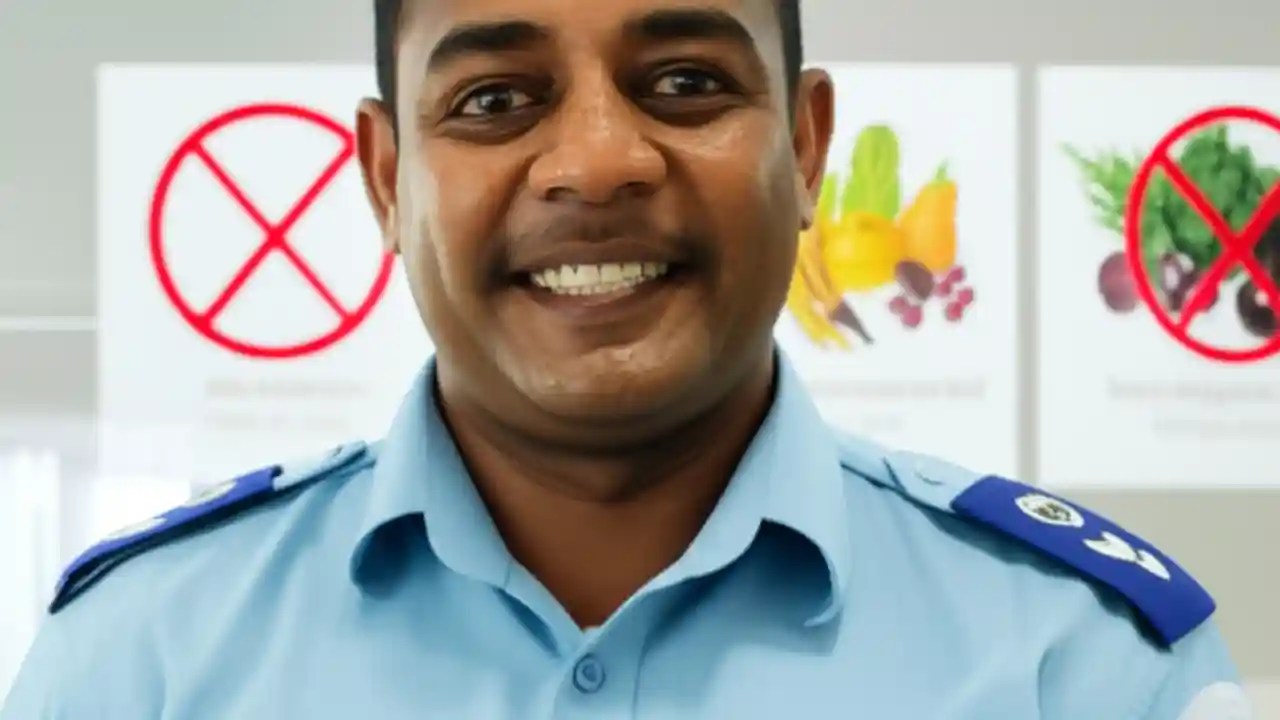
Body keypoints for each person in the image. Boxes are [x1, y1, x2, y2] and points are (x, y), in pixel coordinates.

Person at [1, 0, 1253, 717]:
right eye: (496, 100)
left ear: (805, 148)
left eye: (685, 81)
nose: (597, 162)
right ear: (387, 178)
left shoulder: (1083, 664)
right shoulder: (140, 662)